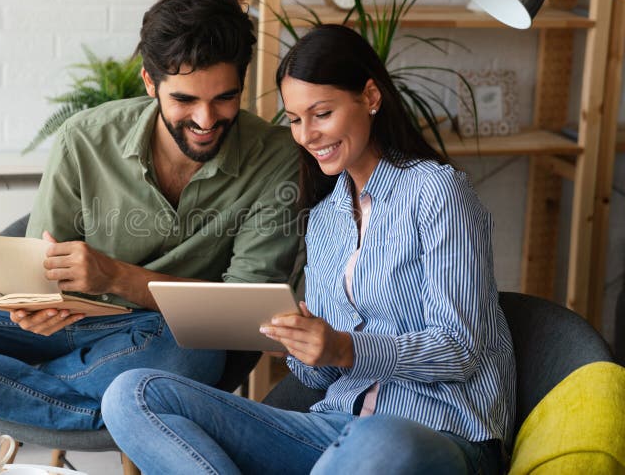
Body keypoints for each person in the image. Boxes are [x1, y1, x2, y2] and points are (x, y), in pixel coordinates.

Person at [0, 0, 301, 431]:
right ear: (150, 82)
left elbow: (245, 316)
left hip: (160, 335)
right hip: (71, 322)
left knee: (195, 357)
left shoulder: (275, 158)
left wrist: (116, 276)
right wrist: (30, 305)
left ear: (242, 84)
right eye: (185, 99)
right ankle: (118, 404)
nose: (206, 120)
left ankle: (34, 391)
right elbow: (38, 271)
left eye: (223, 98)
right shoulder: (86, 138)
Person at [101, 24, 516, 474]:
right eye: (295, 120)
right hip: (336, 431)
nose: (307, 135)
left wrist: (344, 348)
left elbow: (460, 348)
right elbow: (322, 377)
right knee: (133, 394)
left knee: (380, 438)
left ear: (371, 97)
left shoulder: (436, 192)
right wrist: (301, 346)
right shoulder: (324, 218)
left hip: (439, 434)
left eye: (321, 114)